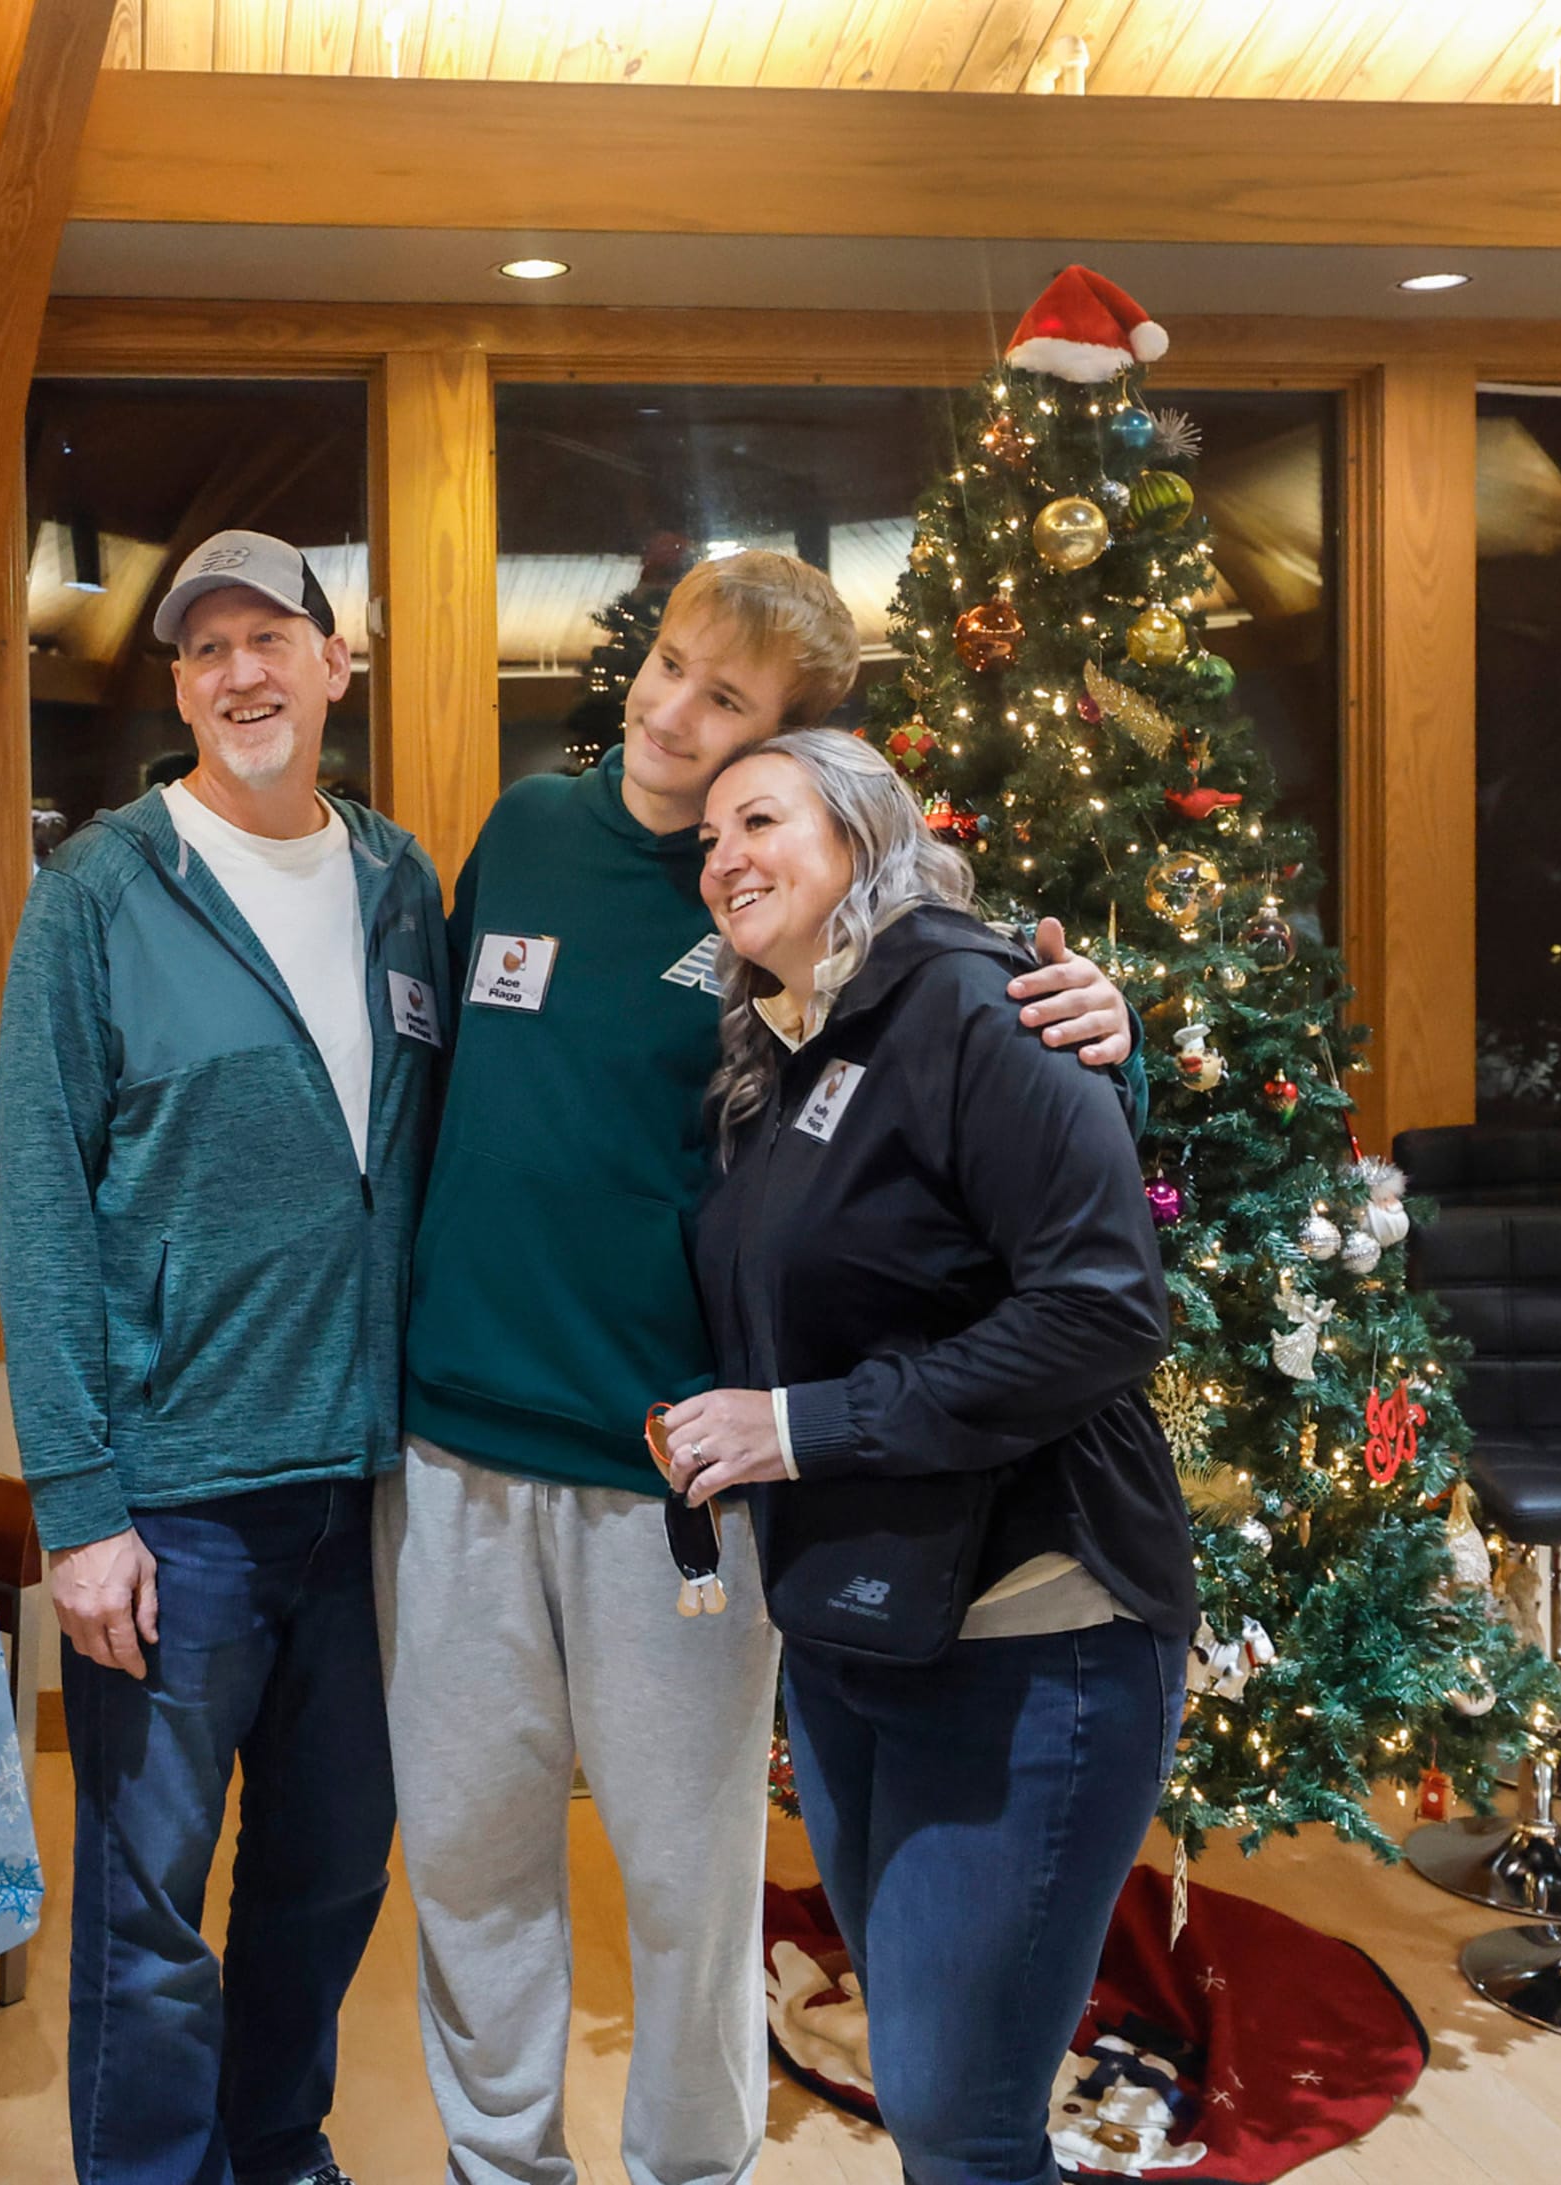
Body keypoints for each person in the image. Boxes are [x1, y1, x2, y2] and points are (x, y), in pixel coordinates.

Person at [381, 552, 1139, 2185]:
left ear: (788, 753)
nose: (673, 712)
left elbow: (948, 1052)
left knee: (687, 1880)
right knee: (467, 1860)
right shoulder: (522, 833)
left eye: (728, 706)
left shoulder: (787, 915)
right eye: (668, 666)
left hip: (682, 1474)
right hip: (452, 1449)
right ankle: (497, 2166)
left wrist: (1083, 1009)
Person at [671, 730, 1196, 2185]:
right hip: (860, 1637)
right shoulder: (775, 1057)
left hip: (1038, 1638)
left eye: (761, 818)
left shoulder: (976, 1000)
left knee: (962, 2120)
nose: (724, 856)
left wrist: (794, 1427)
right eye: (708, 838)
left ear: (863, 836)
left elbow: (1104, 1309)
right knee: (920, 2081)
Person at [0, 530, 447, 2185]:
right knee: (146, 1903)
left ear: (338, 665)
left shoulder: (402, 883)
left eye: (273, 637)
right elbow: (41, 1204)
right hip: (175, 1503)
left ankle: (277, 2146)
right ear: (180, 686)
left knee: (331, 1872)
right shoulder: (105, 889)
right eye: (205, 650)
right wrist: (78, 1503)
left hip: (367, 1490)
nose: (240, 673)